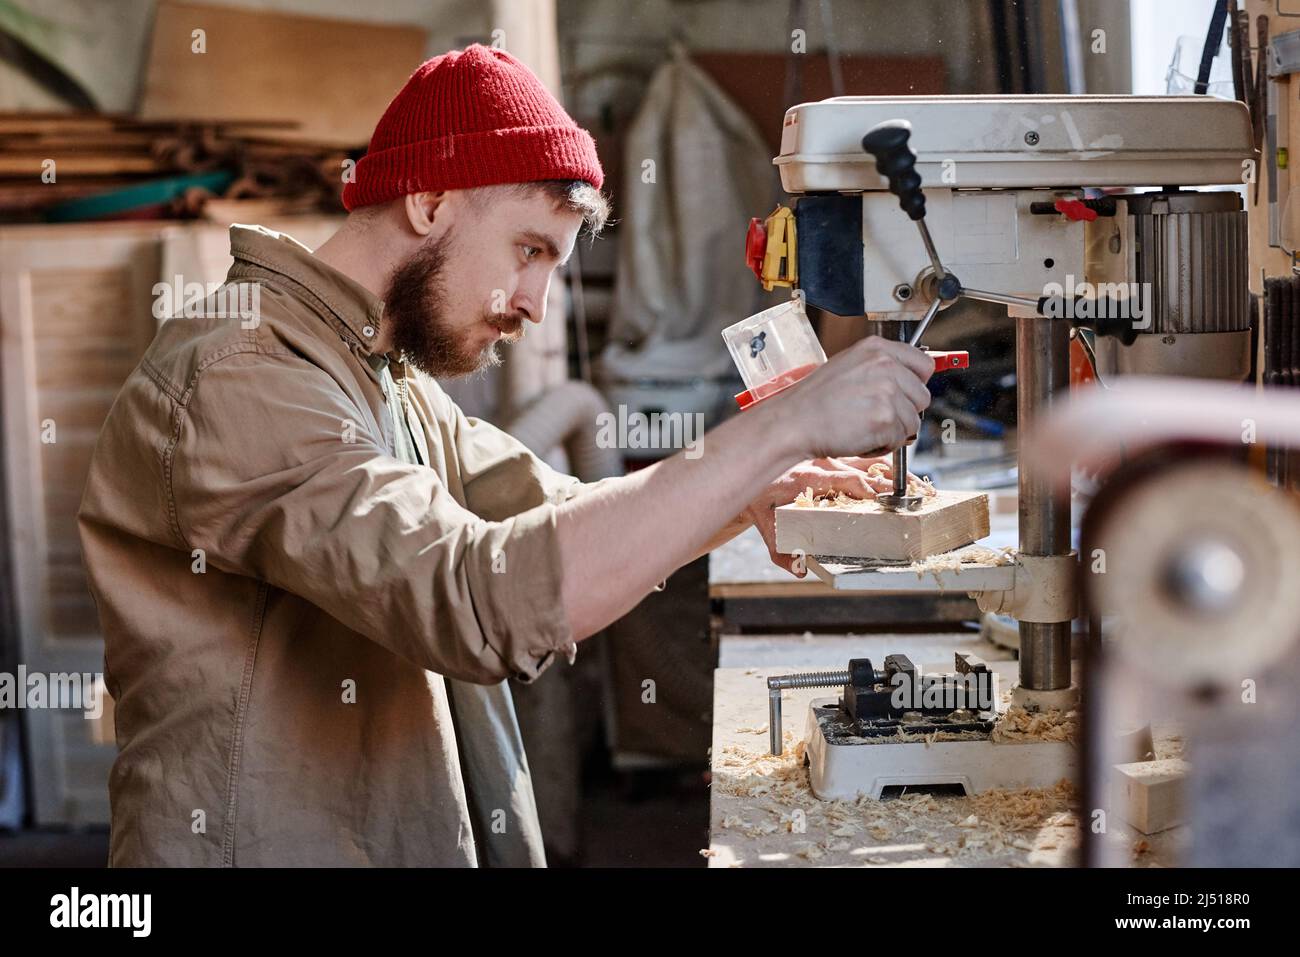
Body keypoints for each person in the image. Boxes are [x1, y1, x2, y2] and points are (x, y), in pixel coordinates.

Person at [78, 44, 933, 867]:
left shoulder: (376, 370)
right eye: (529, 250)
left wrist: (749, 487)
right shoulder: (245, 375)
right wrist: (776, 429)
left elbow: (542, 511)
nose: (533, 303)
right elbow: (478, 597)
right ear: (432, 198)